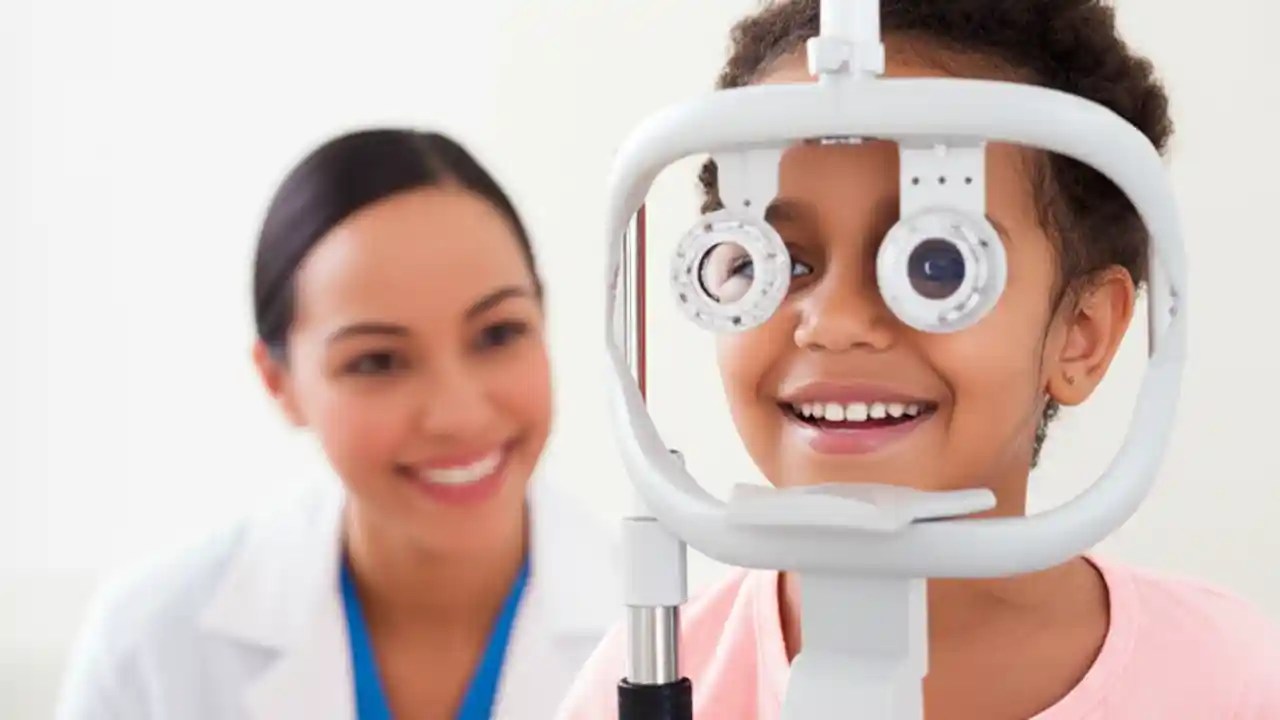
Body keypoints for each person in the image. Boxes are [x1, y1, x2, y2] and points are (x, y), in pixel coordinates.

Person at [556, 1, 1280, 718]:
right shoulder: (646, 675)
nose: (833, 325)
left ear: (1081, 333)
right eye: (777, 265)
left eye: (937, 269)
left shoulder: (1228, 680)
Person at [56, 128, 619, 719]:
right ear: (280, 384)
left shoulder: (674, 631)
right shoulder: (150, 649)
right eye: (377, 361)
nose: (457, 413)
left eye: (499, 334)